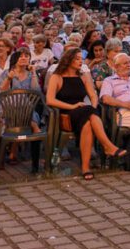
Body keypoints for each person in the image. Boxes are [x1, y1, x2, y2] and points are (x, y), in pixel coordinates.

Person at [46, 50, 124, 179]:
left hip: (83, 113)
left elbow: (93, 96)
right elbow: (50, 100)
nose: (80, 61)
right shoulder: (57, 77)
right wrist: (72, 106)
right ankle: (107, 146)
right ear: (68, 60)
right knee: (88, 113)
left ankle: (86, 168)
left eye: (81, 58)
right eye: (77, 59)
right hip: (65, 114)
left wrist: (92, 108)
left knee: (88, 122)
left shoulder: (83, 76)